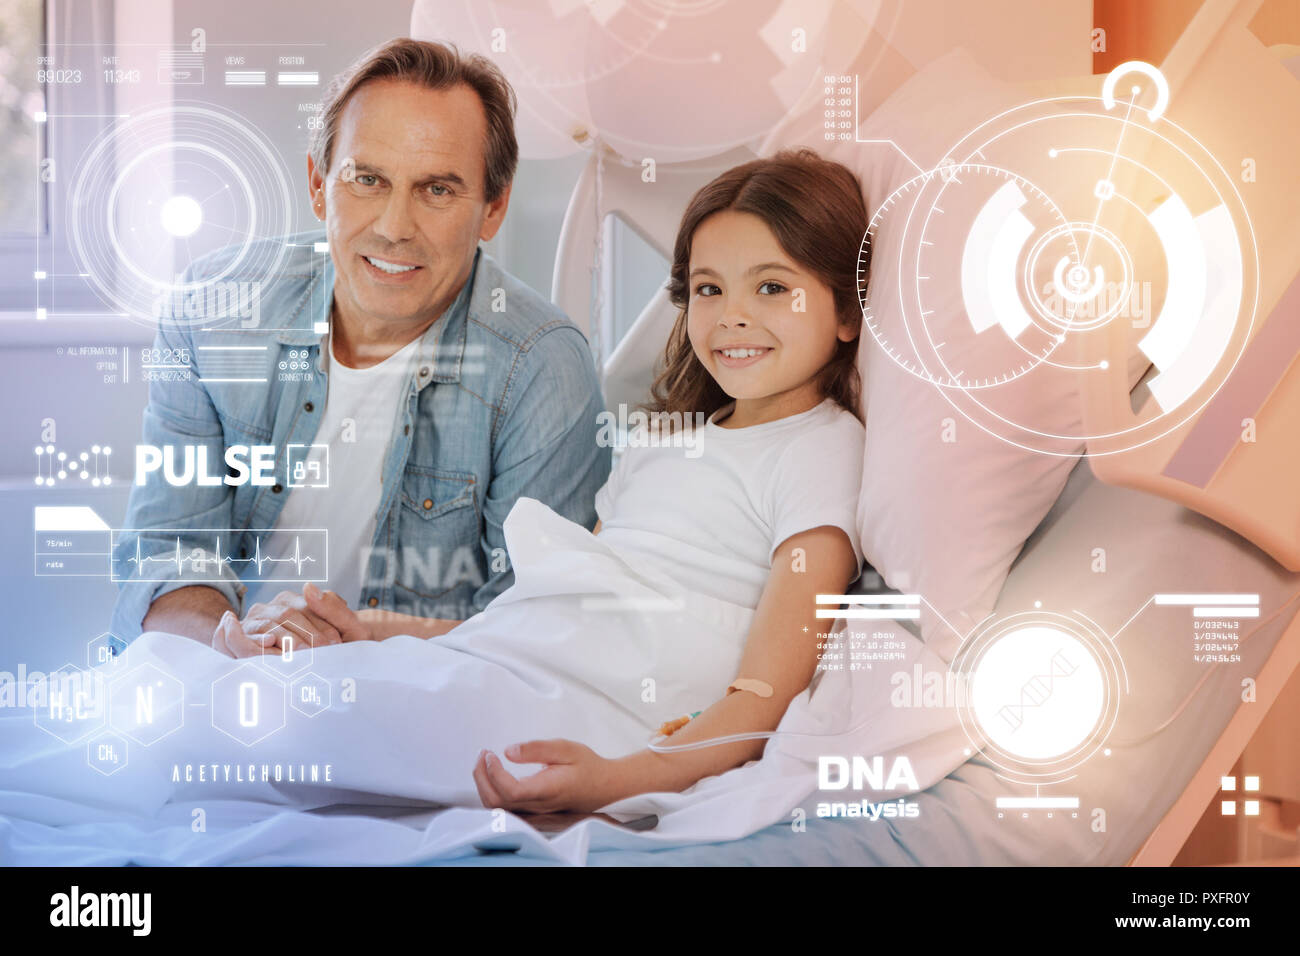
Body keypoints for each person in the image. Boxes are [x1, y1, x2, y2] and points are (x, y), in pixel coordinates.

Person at [198, 147, 871, 813]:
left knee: (284, 725)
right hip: (531, 664)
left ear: (846, 312)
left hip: (611, 701)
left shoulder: (820, 449)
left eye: (773, 287)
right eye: (709, 288)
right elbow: (547, 614)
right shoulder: (662, 444)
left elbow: (762, 696)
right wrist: (374, 632)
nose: (732, 316)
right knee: (262, 691)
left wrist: (618, 778)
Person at [111, 39, 611, 657]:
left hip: (415, 706)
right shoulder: (214, 308)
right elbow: (165, 554)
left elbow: (539, 635)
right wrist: (236, 645)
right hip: (219, 683)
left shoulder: (542, 367)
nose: (395, 226)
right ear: (320, 185)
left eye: (437, 190)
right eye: (367, 179)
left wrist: (366, 647)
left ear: (493, 207)